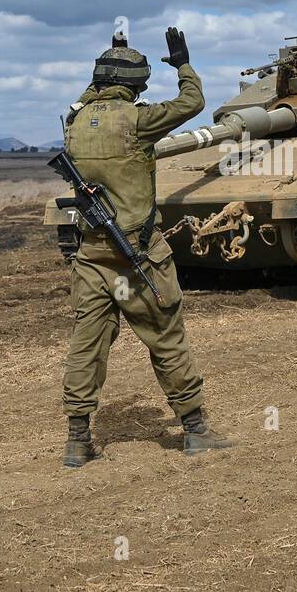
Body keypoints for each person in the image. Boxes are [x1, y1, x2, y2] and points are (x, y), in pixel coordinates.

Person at [60, 27, 231, 468]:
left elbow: (87, 98)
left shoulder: (74, 123)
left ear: (98, 80)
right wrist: (183, 65)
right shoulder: (138, 121)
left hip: (91, 256)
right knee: (167, 339)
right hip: (138, 258)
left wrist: (111, 59)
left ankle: (78, 443)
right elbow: (192, 104)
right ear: (136, 87)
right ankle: (195, 431)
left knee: (86, 347)